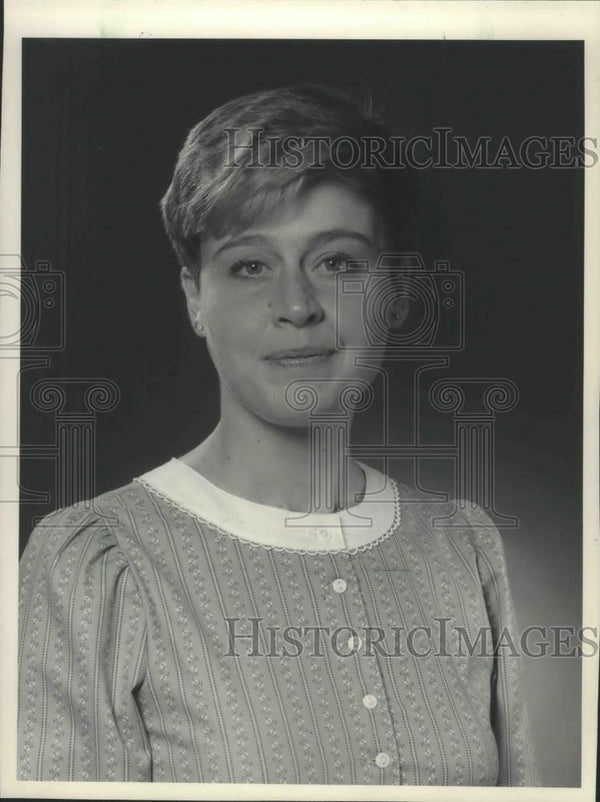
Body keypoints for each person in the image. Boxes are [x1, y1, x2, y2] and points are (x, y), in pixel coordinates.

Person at [18, 84, 539, 785]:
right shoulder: (95, 562)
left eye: (338, 263)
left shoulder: (462, 545)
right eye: (250, 266)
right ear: (195, 297)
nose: (296, 305)